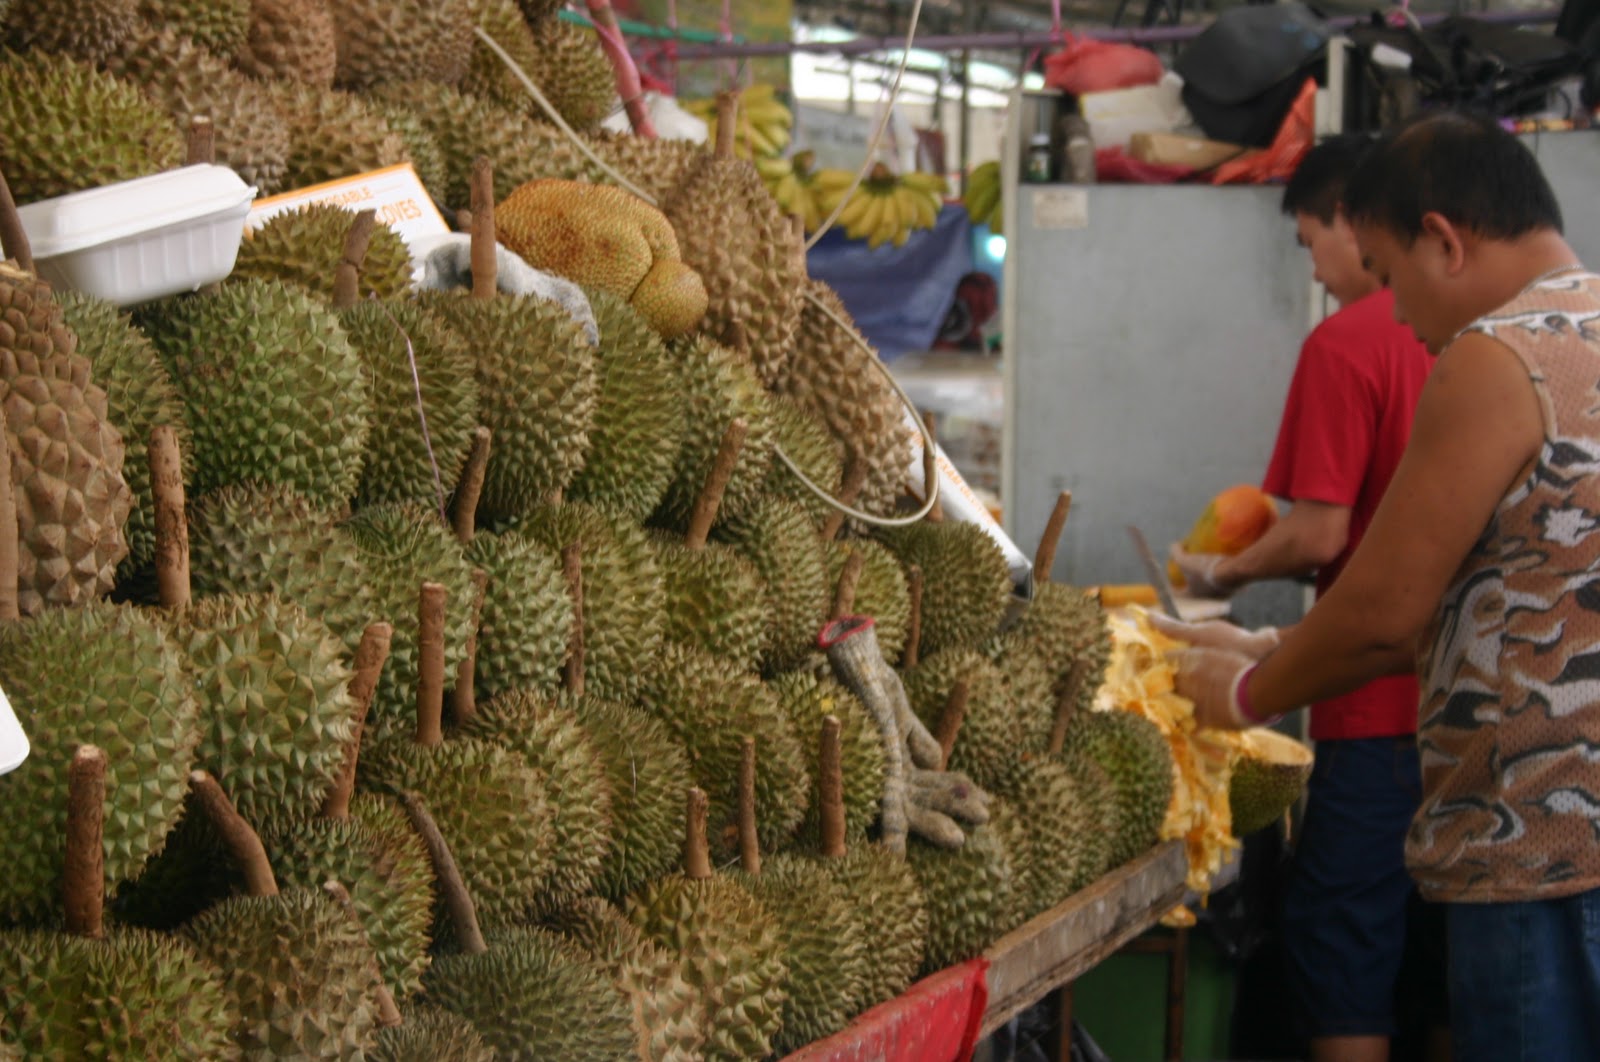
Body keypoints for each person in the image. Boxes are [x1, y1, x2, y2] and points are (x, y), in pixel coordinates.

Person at [1170, 111, 1600, 1062]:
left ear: (1444, 240)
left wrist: (1242, 694)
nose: (1396, 315)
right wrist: (1278, 646)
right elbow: (1513, 587)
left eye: (1393, 275)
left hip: (1542, 839)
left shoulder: (1498, 354)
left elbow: (1383, 609)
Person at [1163, 133, 1439, 1062]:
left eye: (1311, 239)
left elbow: (1321, 531)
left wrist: (1221, 577)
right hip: (1463, 702)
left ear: (1356, 227)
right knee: (1438, 961)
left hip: (1371, 705)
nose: (1316, 268)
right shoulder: (1476, 342)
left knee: (1344, 948)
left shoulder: (1345, 343)